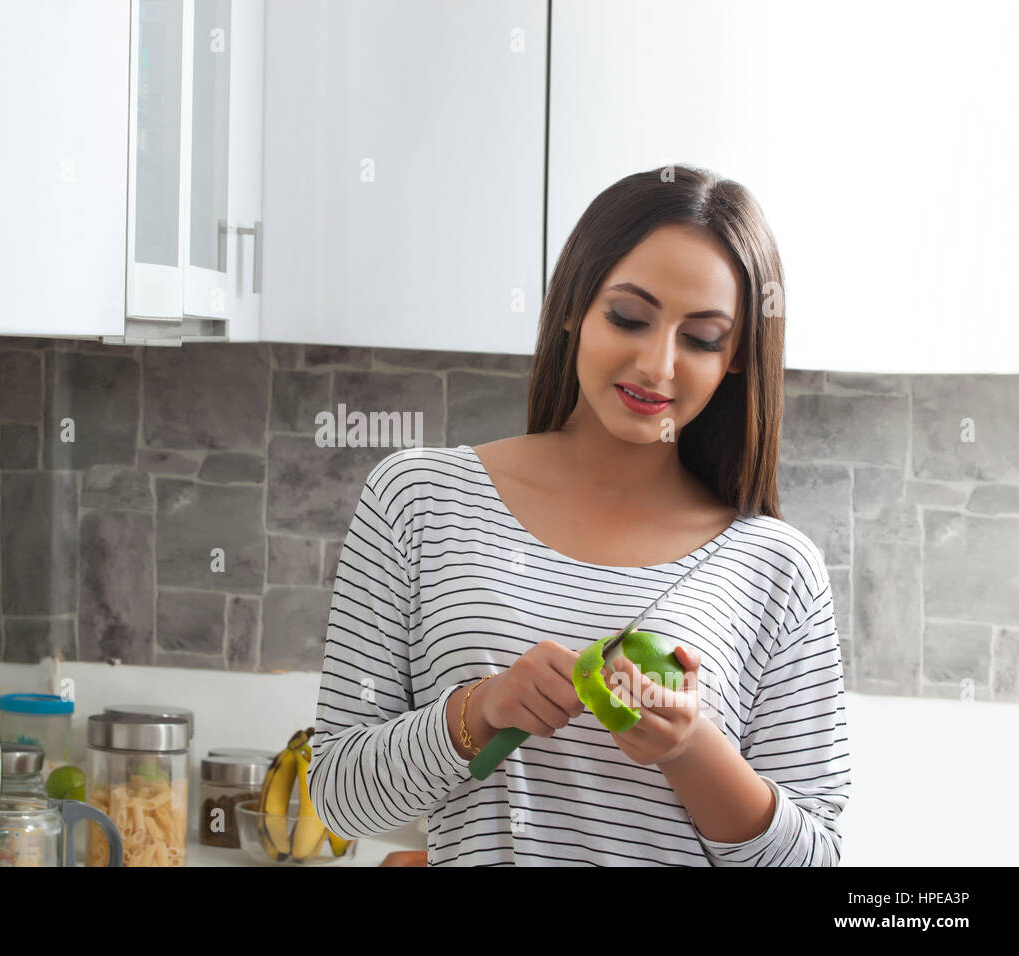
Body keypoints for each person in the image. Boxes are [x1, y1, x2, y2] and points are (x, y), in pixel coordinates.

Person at [307, 164, 851, 865]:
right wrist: (482, 710)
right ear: (573, 306)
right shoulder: (418, 501)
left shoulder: (777, 568)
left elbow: (815, 862)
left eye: (703, 338)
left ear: (737, 358)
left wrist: (689, 749)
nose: (658, 365)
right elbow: (339, 799)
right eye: (629, 317)